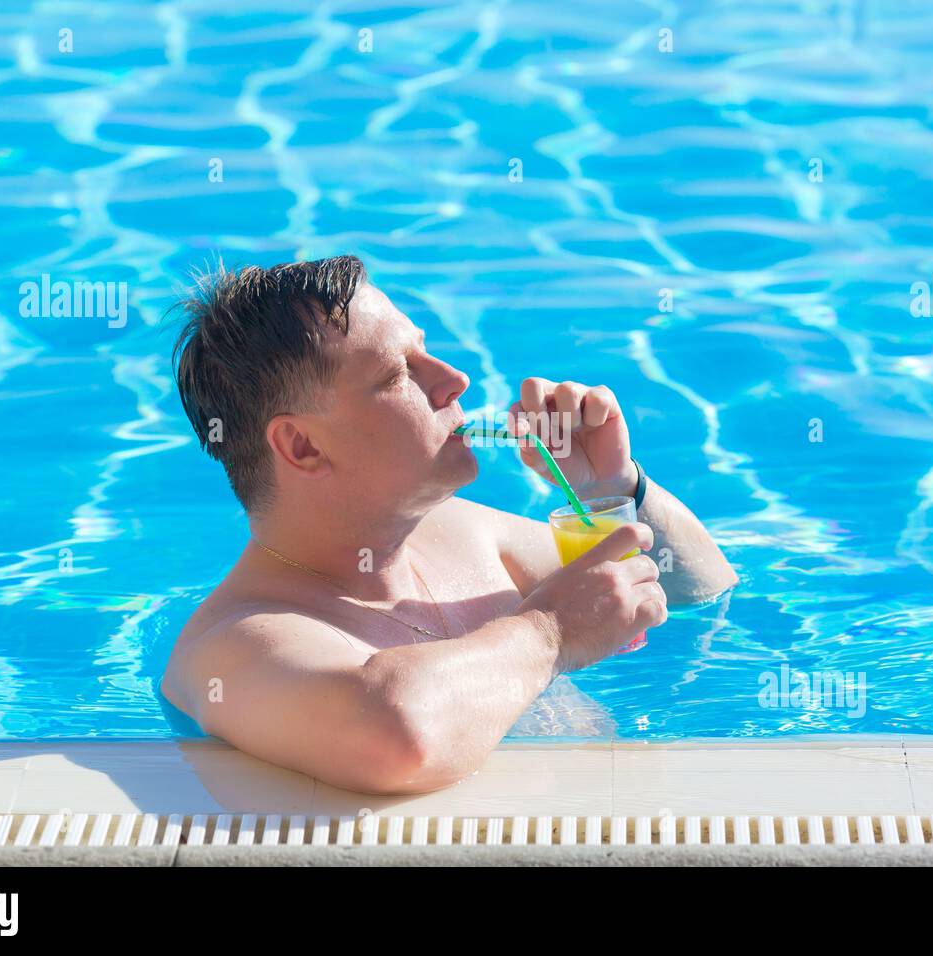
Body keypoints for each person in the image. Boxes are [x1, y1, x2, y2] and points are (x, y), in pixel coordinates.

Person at [160, 256, 739, 794]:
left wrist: (611, 489)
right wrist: (551, 633)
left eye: (425, 350)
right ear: (302, 445)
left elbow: (699, 594)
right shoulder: (231, 646)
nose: (453, 378)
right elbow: (394, 739)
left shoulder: (466, 535)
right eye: (397, 373)